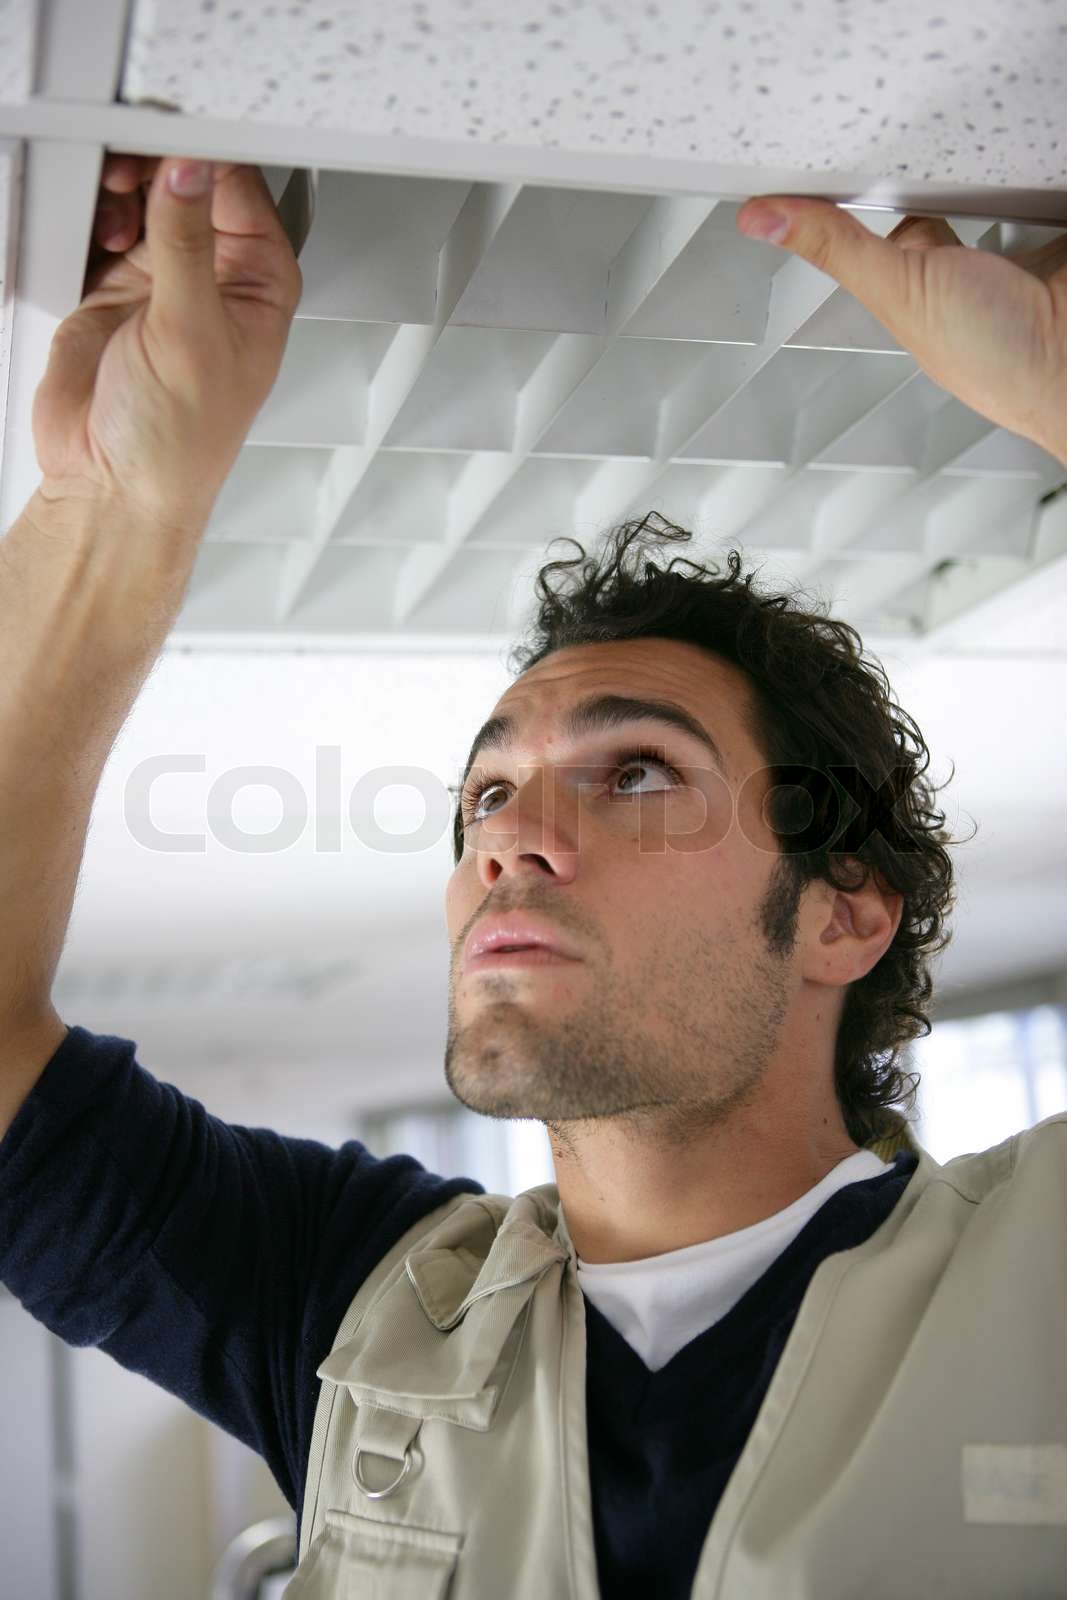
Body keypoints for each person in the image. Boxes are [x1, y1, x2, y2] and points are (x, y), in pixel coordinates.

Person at [1, 156, 1065, 1600]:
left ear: (844, 912)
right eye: (487, 792)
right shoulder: (356, 1301)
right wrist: (107, 506)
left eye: (635, 774)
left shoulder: (1036, 1275)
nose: (505, 836)